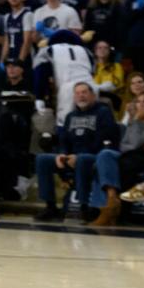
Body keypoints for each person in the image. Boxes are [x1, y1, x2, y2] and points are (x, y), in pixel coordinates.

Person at [33, 81, 118, 222]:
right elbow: (64, 140)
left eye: (84, 92)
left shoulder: (103, 112)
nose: (81, 96)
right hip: (72, 157)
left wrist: (76, 157)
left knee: (83, 159)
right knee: (42, 159)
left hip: (95, 156)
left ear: (92, 95)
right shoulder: (70, 116)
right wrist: (62, 154)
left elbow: (104, 139)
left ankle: (85, 207)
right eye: (77, 93)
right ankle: (50, 206)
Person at [90, 93, 144, 226]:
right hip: (126, 155)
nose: (141, 105)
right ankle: (111, 200)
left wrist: (137, 121)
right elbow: (125, 145)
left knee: (101, 167)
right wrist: (137, 129)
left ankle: (108, 210)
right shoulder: (133, 122)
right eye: (139, 102)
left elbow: (134, 144)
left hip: (142, 158)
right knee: (104, 155)